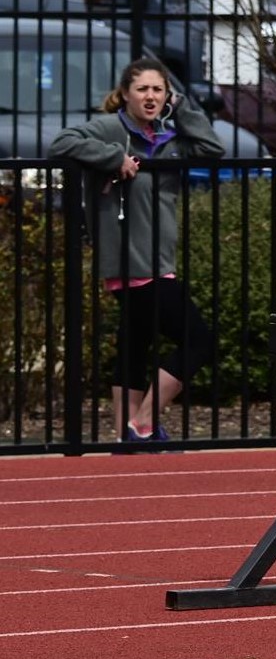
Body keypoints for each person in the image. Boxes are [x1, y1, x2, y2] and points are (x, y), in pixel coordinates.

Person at [50, 57, 224, 447]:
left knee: (136, 342)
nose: (150, 97)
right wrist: (113, 158)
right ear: (125, 93)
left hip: (160, 258)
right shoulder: (111, 128)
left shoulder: (168, 134)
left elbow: (213, 148)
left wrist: (182, 109)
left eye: (158, 90)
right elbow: (61, 143)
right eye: (142, 89)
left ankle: (126, 440)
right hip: (131, 261)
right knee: (198, 340)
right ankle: (143, 424)